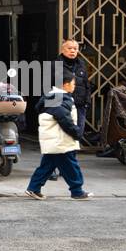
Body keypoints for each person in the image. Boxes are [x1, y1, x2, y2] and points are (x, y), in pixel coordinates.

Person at [25, 69, 93, 201]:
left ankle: (33, 188)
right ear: (65, 84)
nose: (74, 86)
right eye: (73, 83)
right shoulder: (59, 98)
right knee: (71, 166)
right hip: (60, 139)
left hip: (54, 140)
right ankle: (77, 191)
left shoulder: (53, 97)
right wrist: (76, 132)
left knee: (47, 165)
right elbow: (64, 119)